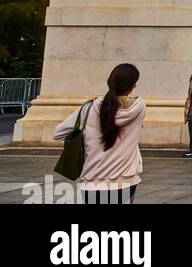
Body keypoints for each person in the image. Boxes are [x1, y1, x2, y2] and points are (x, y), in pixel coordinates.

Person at [54, 63, 146, 205]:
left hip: (91, 182)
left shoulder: (89, 108)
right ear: (133, 86)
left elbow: (57, 133)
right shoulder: (139, 108)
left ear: (110, 82)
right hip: (125, 181)